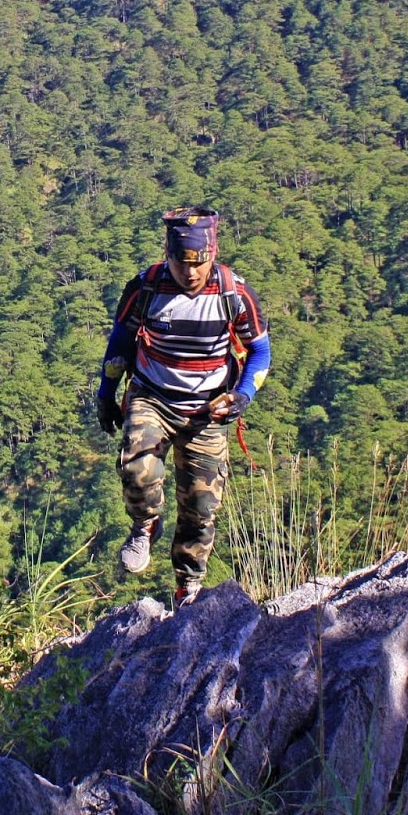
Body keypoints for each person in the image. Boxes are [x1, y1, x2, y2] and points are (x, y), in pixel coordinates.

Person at [95, 207, 271, 607]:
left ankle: (188, 585)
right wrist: (106, 391)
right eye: (181, 262)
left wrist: (243, 395)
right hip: (152, 394)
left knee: (201, 505)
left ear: (213, 254)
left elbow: (260, 352)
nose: (190, 272)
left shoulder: (234, 294)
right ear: (167, 254)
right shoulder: (146, 288)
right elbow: (121, 341)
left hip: (208, 409)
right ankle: (145, 525)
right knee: (138, 468)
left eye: (199, 262)